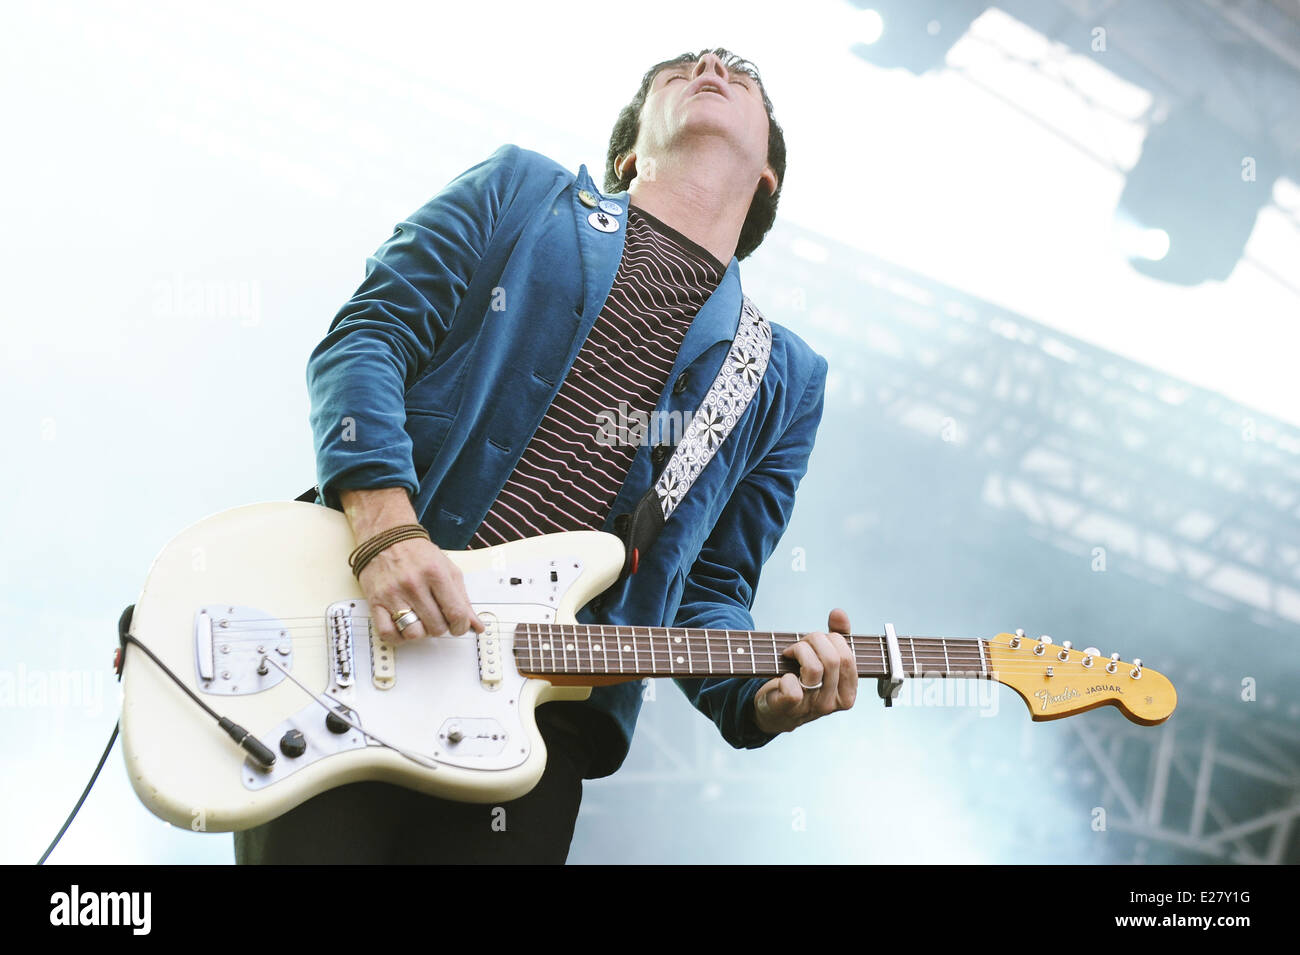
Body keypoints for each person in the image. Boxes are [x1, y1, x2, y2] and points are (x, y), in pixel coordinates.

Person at [234, 48, 857, 864]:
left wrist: (761, 696)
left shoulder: (784, 376)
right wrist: (387, 528)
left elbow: (712, 591)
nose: (712, 63)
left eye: (743, 73)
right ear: (630, 151)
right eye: (679, 70)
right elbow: (369, 339)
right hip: (357, 636)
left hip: (535, 727)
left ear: (768, 169)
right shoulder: (521, 191)